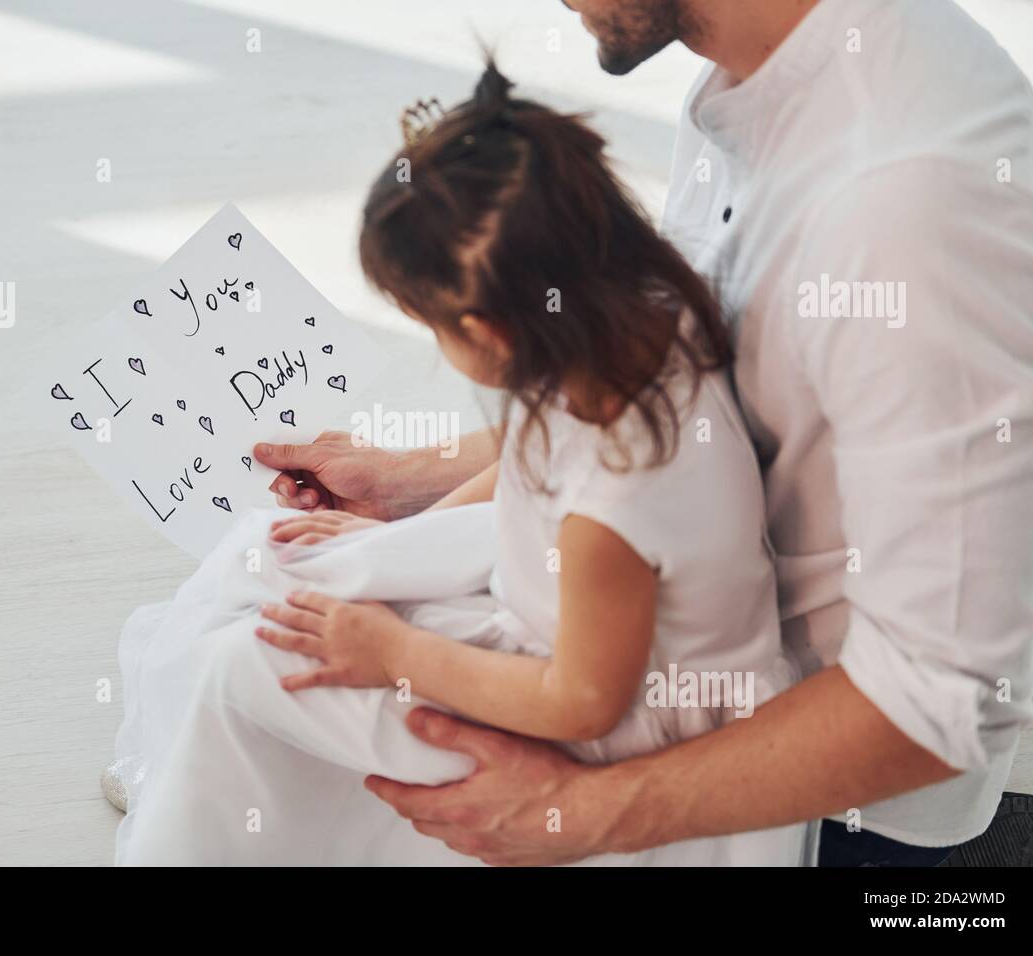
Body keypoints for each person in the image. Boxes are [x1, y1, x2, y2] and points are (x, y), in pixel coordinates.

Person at [254, 0, 1033, 866]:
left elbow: (942, 705)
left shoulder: (910, 212)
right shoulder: (747, 80)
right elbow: (650, 387)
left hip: (827, 797)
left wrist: (573, 812)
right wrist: (416, 487)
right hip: (673, 655)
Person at [109, 62, 806, 866]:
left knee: (245, 668)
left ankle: (202, 819)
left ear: (489, 331)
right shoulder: (632, 319)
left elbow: (581, 700)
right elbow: (534, 454)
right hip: (562, 627)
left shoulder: (615, 497)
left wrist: (394, 654)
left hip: (619, 726)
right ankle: (196, 784)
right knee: (277, 558)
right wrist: (384, 547)